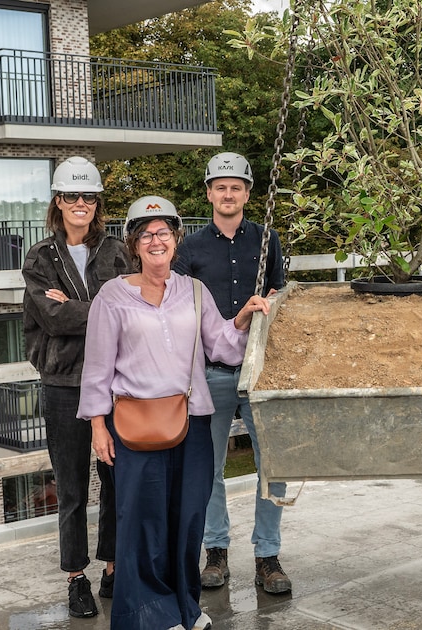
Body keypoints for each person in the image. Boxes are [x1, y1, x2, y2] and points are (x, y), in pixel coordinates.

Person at [78, 196, 270, 630]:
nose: (155, 240)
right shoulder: (113, 296)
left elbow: (220, 344)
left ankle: (186, 607)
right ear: (134, 243)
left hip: (192, 419)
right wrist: (96, 426)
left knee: (188, 520)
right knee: (143, 522)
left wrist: (241, 318)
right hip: (132, 426)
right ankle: (148, 614)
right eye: (146, 233)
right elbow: (97, 366)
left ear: (175, 239)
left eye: (164, 232)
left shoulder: (193, 291)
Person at [172, 152, 289, 592]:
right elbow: (180, 307)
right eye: (220, 187)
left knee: (272, 464)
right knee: (209, 466)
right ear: (209, 193)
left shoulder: (266, 240)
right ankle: (216, 552)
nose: (227, 194)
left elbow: (279, 293)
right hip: (213, 371)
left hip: (259, 371)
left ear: (247, 193)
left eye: (235, 187)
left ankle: (268, 556)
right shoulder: (191, 249)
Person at [22, 156, 129, 618]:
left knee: (115, 480)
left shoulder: (117, 252)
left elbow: (131, 309)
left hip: (112, 383)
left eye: (88, 196)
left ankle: (112, 568)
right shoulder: (40, 258)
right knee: (71, 488)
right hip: (64, 383)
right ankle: (75, 577)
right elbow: (52, 318)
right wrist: (101, 308)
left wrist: (79, 306)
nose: (80, 204)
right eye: (71, 196)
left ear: (97, 202)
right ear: (58, 202)